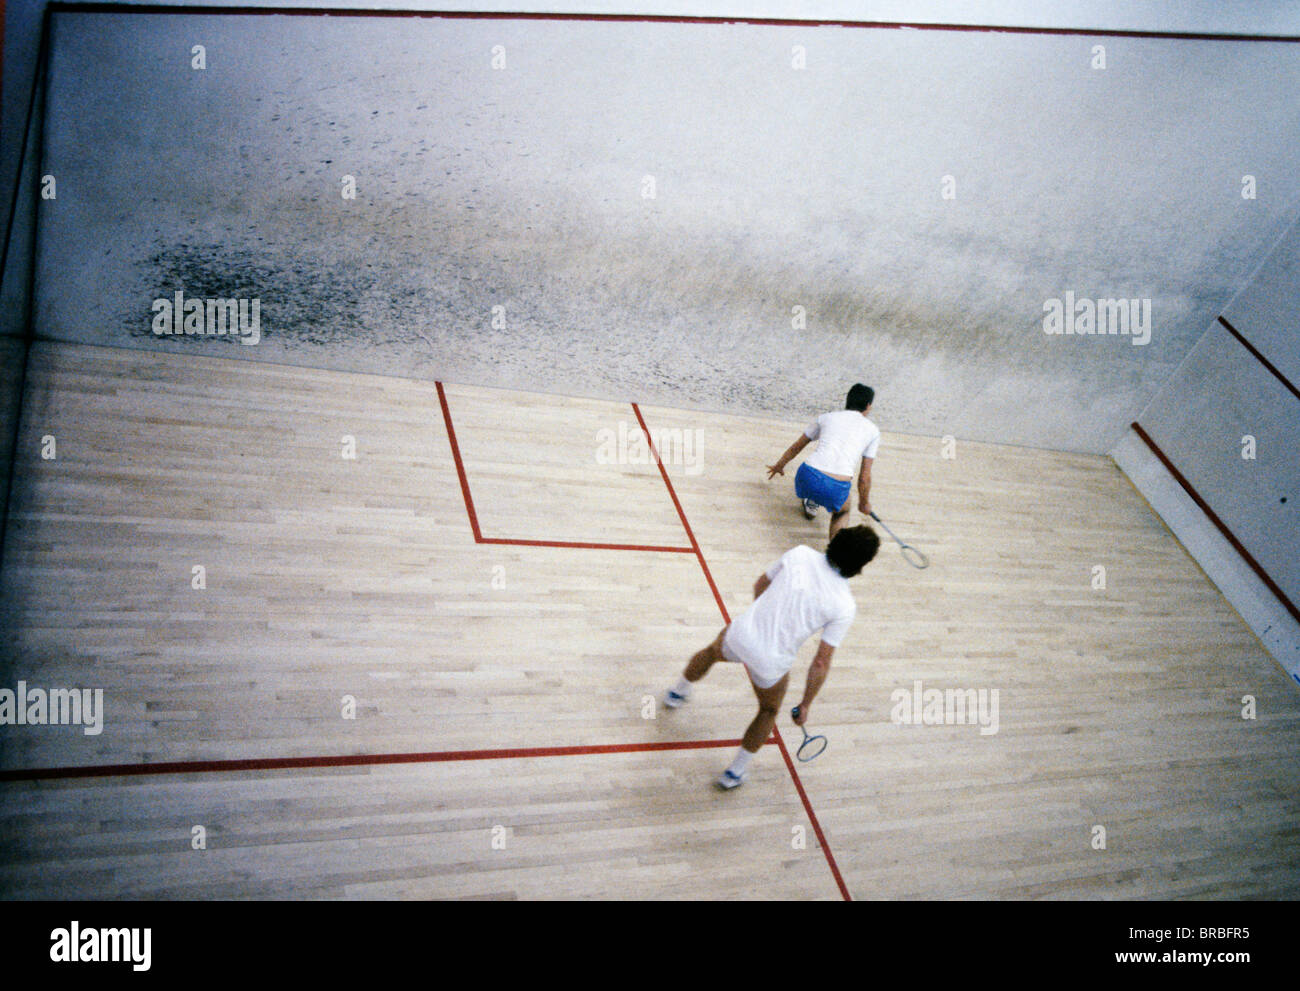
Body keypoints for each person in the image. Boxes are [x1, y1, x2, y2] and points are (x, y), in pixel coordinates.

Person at [664, 525, 881, 789]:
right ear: (861, 565)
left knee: (711, 653)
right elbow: (821, 662)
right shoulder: (845, 605)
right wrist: (805, 704)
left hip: (741, 634)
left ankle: (677, 693)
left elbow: (760, 585)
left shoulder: (801, 553)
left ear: (837, 540)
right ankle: (735, 772)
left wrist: (760, 620)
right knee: (768, 710)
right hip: (771, 664)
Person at [767, 384, 880, 539]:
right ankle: (835, 554)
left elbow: (797, 446)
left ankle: (812, 501)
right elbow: (864, 477)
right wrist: (864, 503)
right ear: (868, 405)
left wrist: (779, 466)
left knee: (819, 482)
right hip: (836, 487)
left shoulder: (826, 417)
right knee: (843, 511)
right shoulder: (873, 431)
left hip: (806, 477)